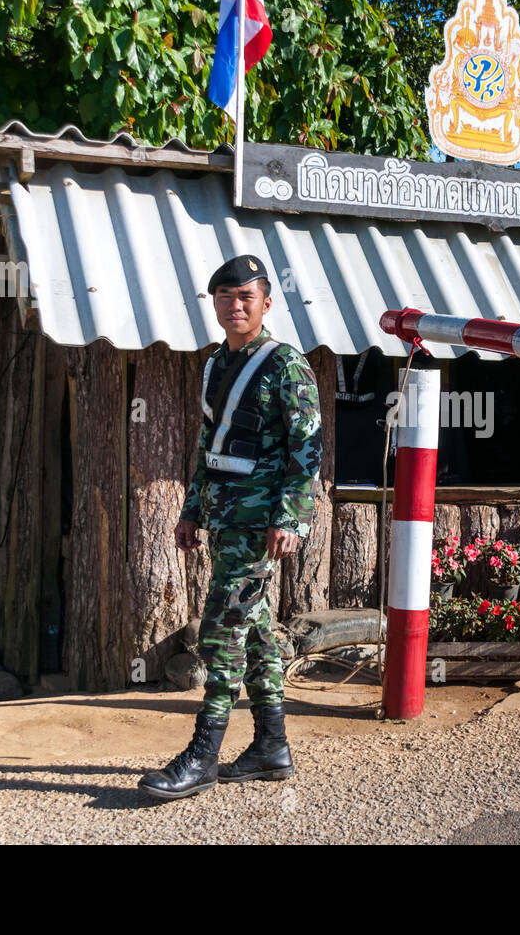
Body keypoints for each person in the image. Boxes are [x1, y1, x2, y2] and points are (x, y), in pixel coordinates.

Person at [139, 254, 322, 800]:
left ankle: (203, 755)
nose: (235, 305)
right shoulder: (216, 364)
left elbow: (307, 446)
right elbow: (208, 444)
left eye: (246, 296)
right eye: (225, 296)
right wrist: (192, 508)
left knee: (221, 632)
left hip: (262, 524)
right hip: (223, 518)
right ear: (215, 303)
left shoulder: (286, 364)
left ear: (267, 302)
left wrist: (292, 517)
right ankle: (271, 746)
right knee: (259, 634)